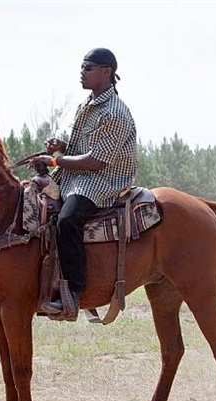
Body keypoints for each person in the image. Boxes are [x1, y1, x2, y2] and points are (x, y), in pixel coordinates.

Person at [32, 47, 138, 319]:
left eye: (88, 68)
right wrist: (62, 147)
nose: (82, 72)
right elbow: (83, 147)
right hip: (79, 175)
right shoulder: (88, 104)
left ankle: (74, 295)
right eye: (81, 67)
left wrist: (55, 161)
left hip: (103, 179)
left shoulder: (114, 111)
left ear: (107, 72)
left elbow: (97, 160)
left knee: (67, 219)